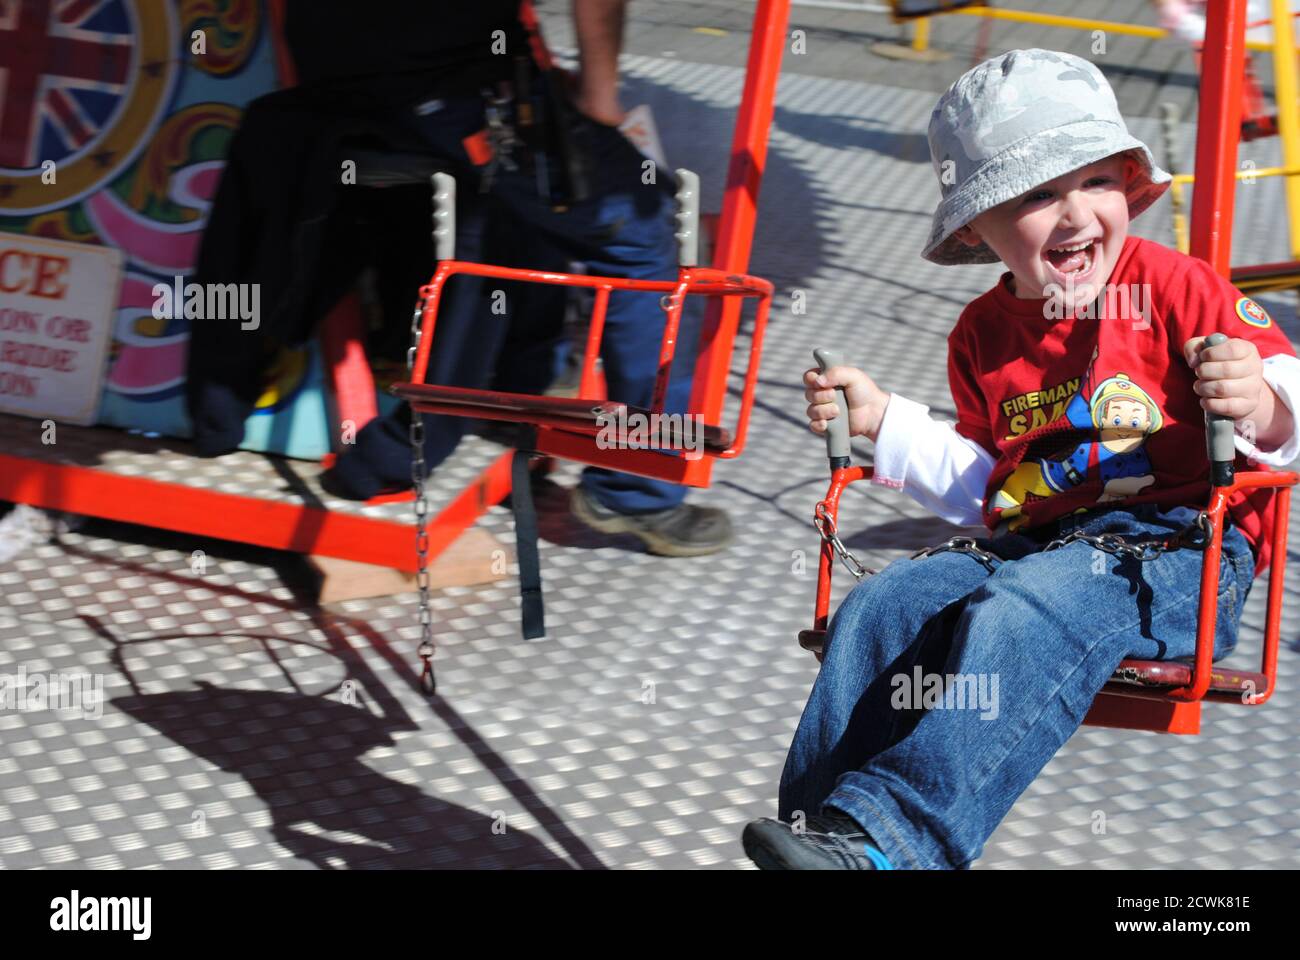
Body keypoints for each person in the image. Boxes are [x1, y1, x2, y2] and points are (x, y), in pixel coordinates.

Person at [741, 48, 1300, 870]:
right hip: (1039, 541)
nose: (1076, 215)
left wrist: (1257, 400)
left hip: (1180, 550)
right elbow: (993, 492)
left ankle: (891, 843)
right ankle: (820, 839)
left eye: (1098, 182)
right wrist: (885, 421)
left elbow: (1289, 398)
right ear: (976, 226)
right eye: (1038, 194)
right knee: (886, 606)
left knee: (1022, 607)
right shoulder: (981, 336)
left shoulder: (1179, 287)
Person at [314, 0, 734, 558]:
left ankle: (519, 392)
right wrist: (598, 99)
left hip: (343, 76)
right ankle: (637, 485)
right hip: (450, 85)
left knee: (523, 206)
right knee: (645, 234)